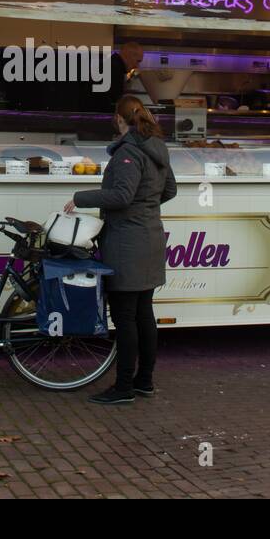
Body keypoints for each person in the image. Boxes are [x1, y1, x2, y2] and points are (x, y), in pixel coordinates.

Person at [63, 94, 177, 404]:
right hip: (151, 238)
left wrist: (82, 198)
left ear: (118, 119)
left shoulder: (128, 151)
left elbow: (122, 195)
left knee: (126, 317)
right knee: (144, 315)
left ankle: (124, 387)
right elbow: (170, 190)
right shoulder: (157, 148)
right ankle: (144, 382)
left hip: (128, 243)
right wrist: (146, 207)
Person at [106, 42, 144, 108]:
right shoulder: (115, 68)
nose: (137, 66)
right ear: (128, 55)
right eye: (138, 61)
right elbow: (114, 100)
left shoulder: (112, 64)